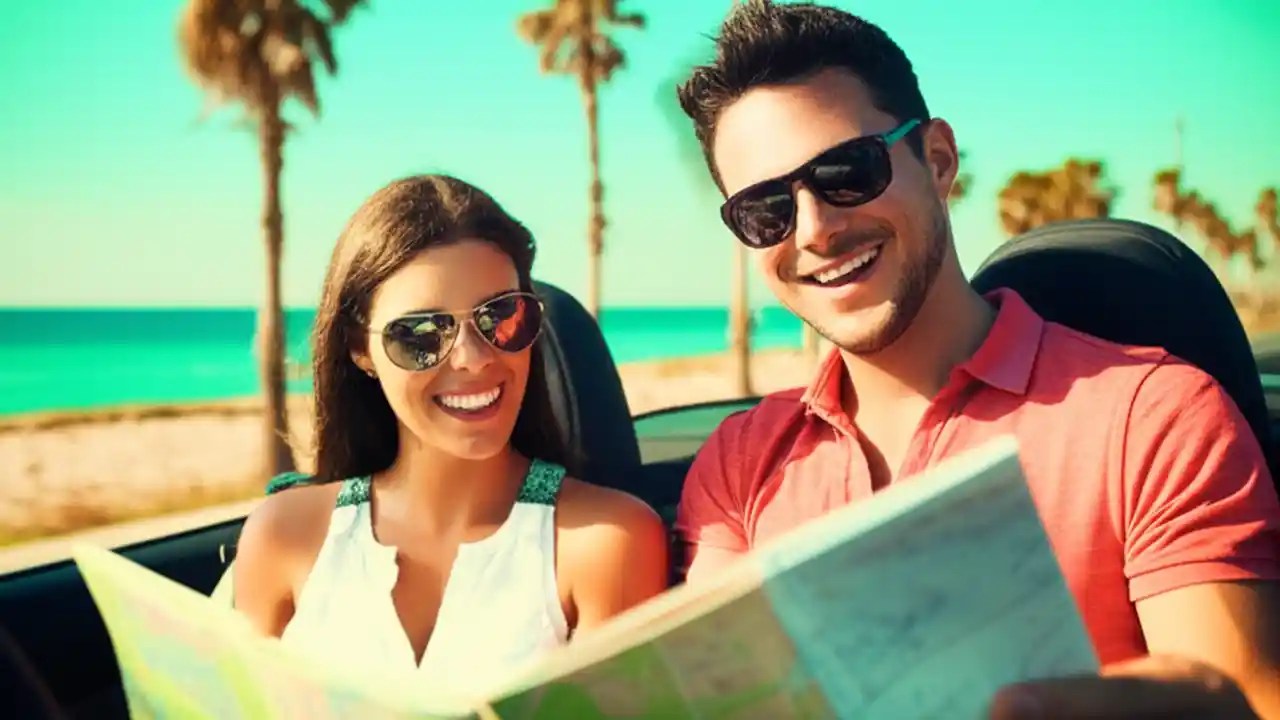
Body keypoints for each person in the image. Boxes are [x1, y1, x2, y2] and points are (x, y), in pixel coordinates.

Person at [671, 2, 1280, 717]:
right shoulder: (740, 466)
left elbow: (1240, 696)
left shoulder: (1153, 418)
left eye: (846, 170)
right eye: (765, 209)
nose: (814, 230)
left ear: (937, 159)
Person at [232, 175, 668, 694]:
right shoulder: (283, 535)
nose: (474, 358)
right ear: (359, 350)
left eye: (502, 317)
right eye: (420, 334)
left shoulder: (607, 542)